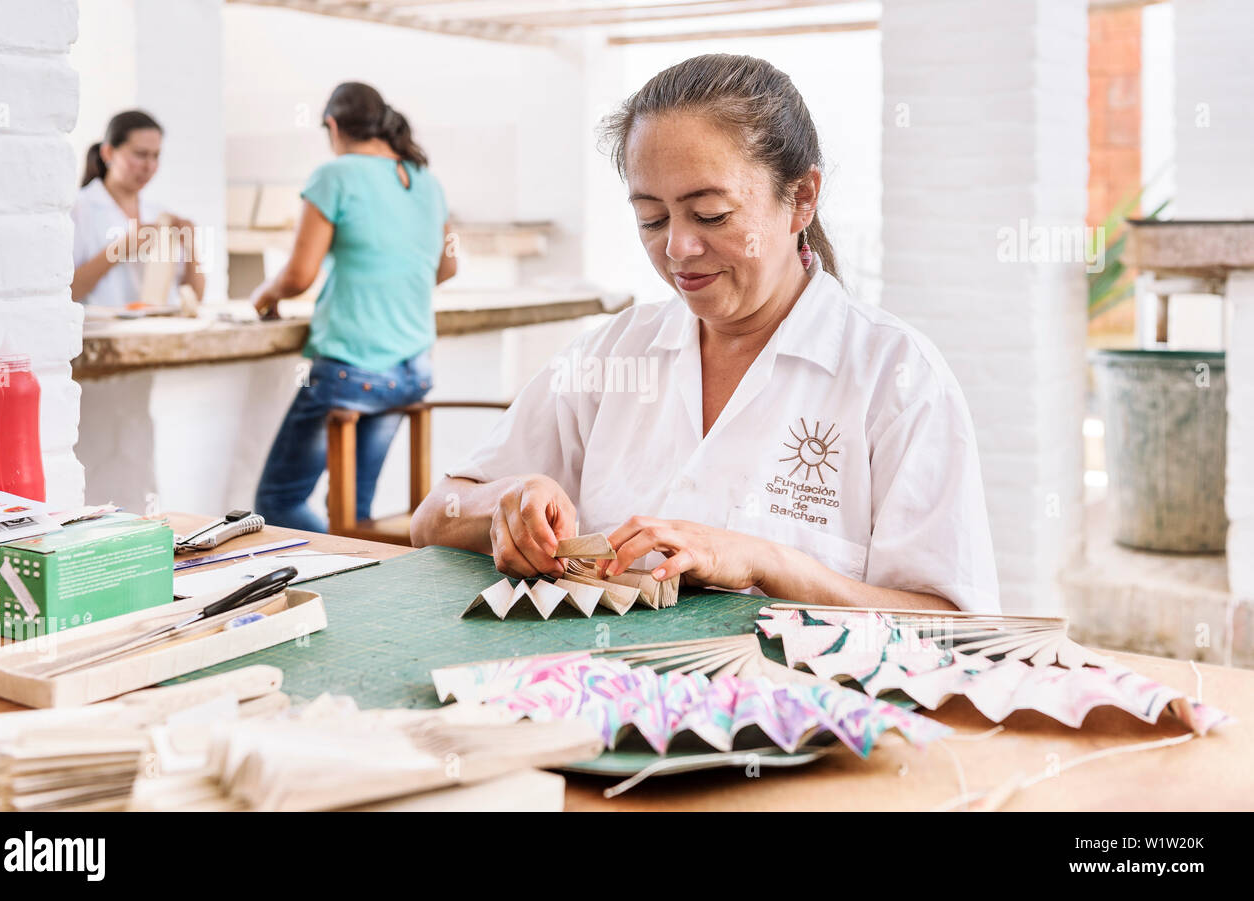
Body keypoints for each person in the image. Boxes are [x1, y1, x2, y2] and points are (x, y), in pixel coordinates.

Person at [411, 54, 999, 612]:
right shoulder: (616, 353)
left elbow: (953, 624)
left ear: (802, 198)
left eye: (711, 215)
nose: (677, 249)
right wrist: (508, 503)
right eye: (652, 218)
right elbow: (434, 516)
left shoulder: (893, 375)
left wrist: (767, 563)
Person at [252, 82, 455, 532]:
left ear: (332, 125)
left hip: (350, 373)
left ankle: (342, 564)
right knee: (353, 510)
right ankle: (355, 556)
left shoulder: (335, 175)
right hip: (412, 373)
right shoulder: (426, 180)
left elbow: (298, 276)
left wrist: (264, 294)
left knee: (277, 500)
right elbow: (447, 267)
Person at [71, 110, 205, 305]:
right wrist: (123, 247)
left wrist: (190, 245)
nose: (149, 166)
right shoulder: (78, 208)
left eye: (156, 156)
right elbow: (66, 292)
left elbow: (195, 297)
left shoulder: (157, 213)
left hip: (152, 331)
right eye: (140, 154)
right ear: (108, 153)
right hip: (99, 332)